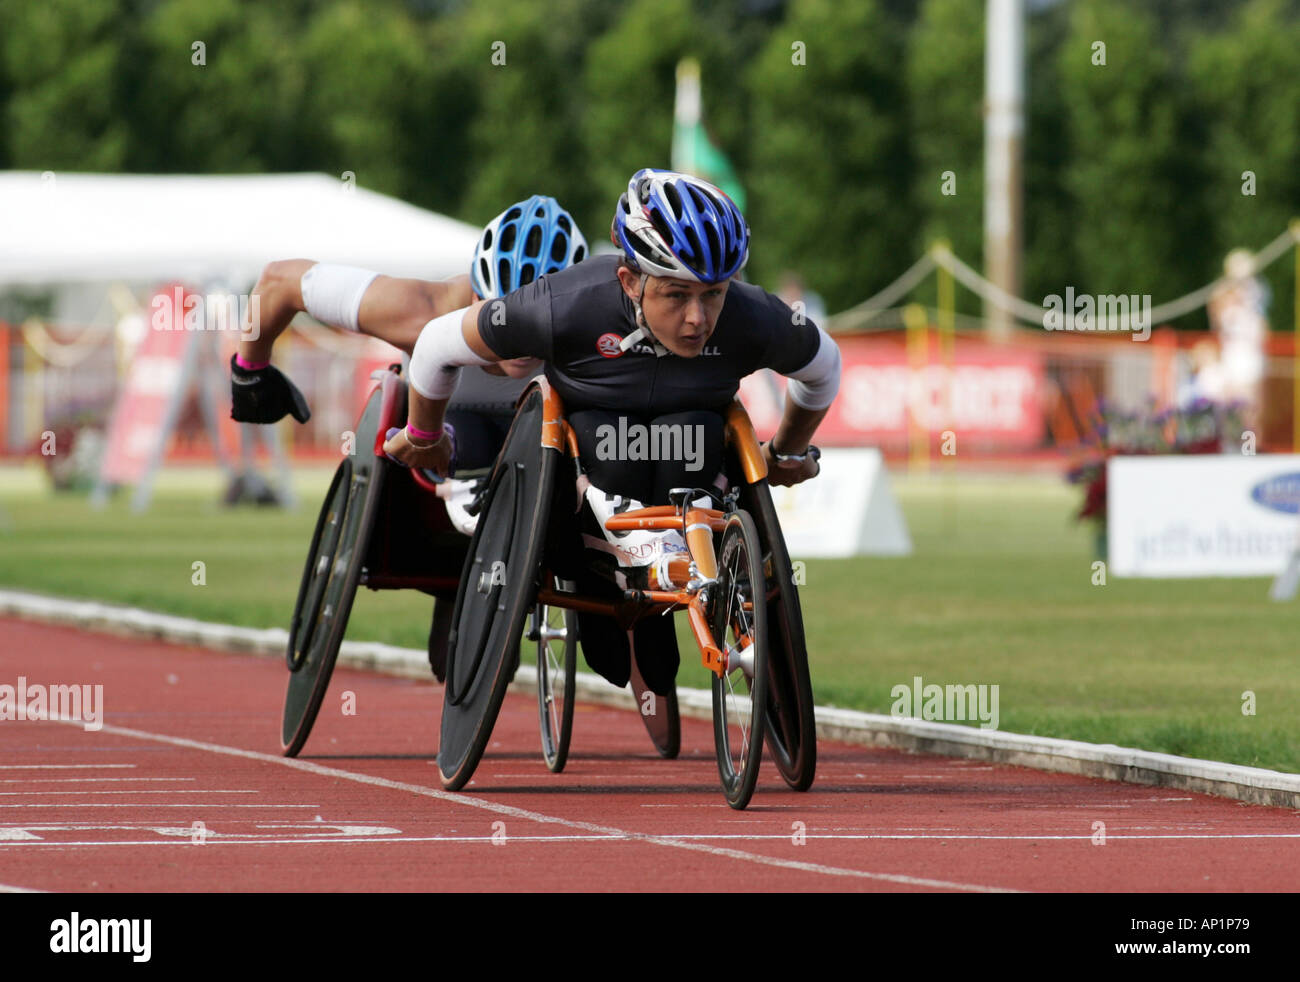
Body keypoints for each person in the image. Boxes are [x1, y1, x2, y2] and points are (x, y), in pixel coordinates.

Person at [384, 168, 841, 695]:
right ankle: (593, 582)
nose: (698, 318)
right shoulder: (565, 303)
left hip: (692, 456)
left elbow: (823, 367)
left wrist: (785, 451)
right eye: (676, 295)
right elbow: (439, 342)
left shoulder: (753, 315)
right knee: (606, 440)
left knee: (690, 436)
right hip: (588, 459)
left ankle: (661, 607)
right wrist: (424, 434)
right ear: (629, 281)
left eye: (714, 294)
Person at [229, 194, 587, 677]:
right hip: (449, 437)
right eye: (503, 316)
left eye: (534, 322)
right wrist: (249, 368)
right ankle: (454, 578)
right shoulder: (421, 309)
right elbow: (279, 281)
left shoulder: (598, 320)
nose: (519, 341)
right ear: (476, 295)